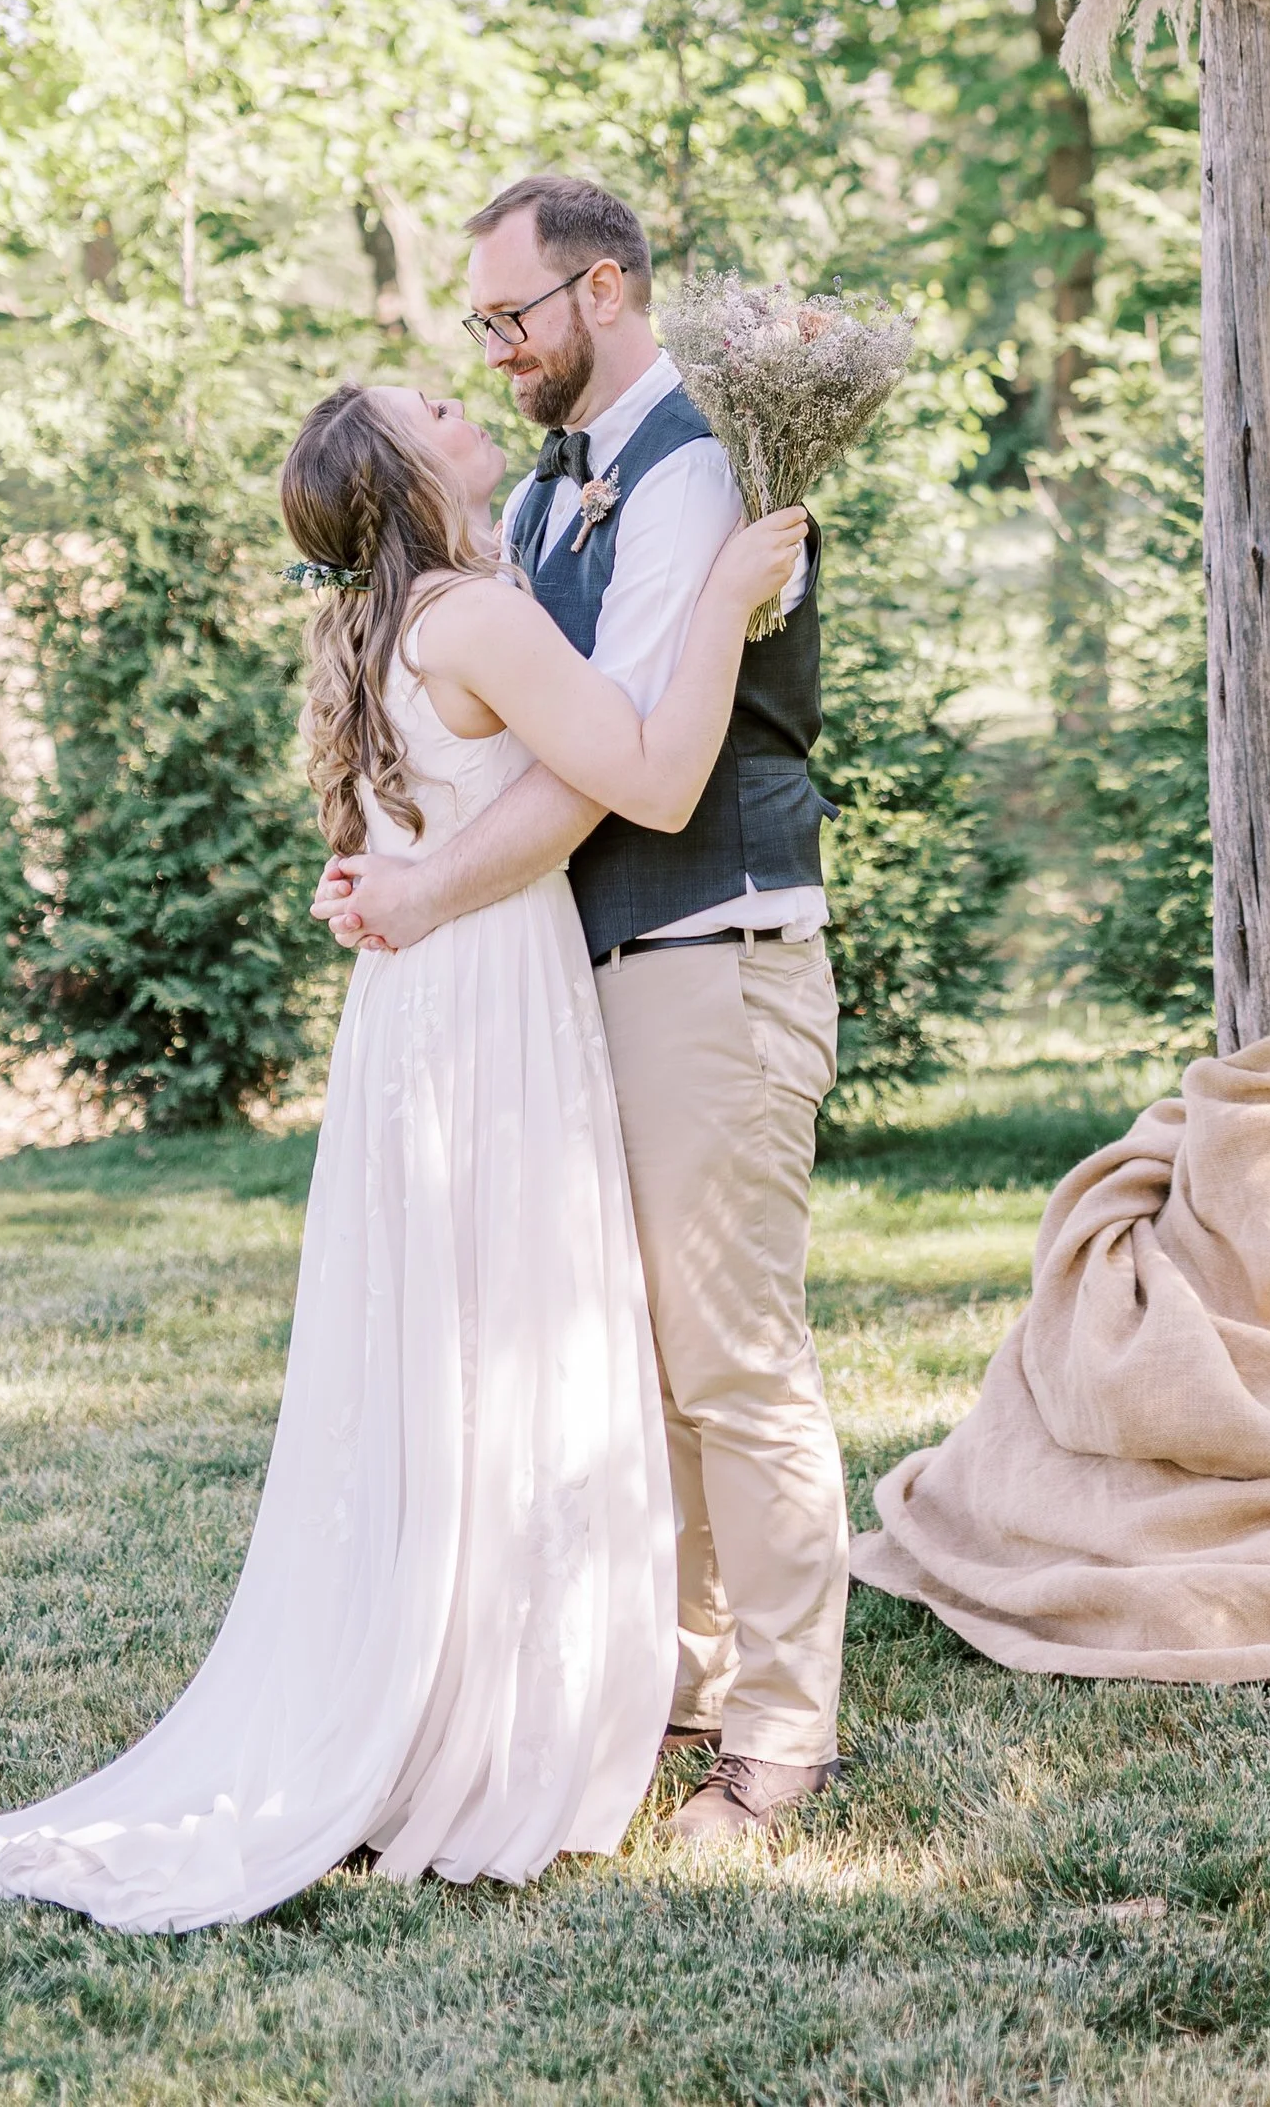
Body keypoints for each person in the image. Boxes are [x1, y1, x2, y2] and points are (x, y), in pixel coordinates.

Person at [0, 379, 803, 1932]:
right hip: (488, 996)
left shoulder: (381, 624)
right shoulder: (473, 612)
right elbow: (657, 775)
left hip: (424, 997)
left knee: (452, 1336)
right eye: (424, 402)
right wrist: (729, 603)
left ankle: (459, 1676)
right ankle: (499, 1710)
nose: (451, 390)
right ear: (411, 474)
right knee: (506, 1322)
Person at [315, 174, 850, 1847]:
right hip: (591, 975)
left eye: (508, 316)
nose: (493, 347)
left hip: (711, 947)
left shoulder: (693, 468)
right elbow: (541, 753)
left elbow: (630, 764)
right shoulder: (545, 501)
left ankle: (781, 1731)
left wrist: (421, 891)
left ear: (602, 289)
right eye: (477, 326)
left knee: (731, 1355)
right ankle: (681, 1683)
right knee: (643, 1351)